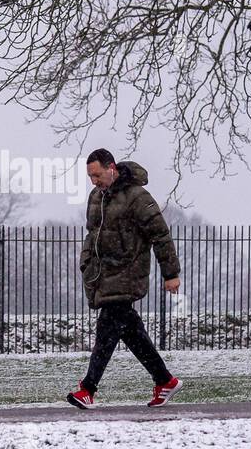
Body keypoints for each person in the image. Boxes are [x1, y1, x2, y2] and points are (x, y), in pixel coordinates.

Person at [68, 149, 183, 409]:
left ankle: (87, 389)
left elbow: (160, 234)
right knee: (130, 332)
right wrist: (86, 262)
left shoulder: (137, 197)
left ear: (112, 168)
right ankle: (165, 381)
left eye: (96, 175)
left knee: (107, 329)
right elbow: (91, 233)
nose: (93, 181)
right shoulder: (96, 196)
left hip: (128, 273)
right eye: (90, 176)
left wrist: (171, 273)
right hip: (102, 274)